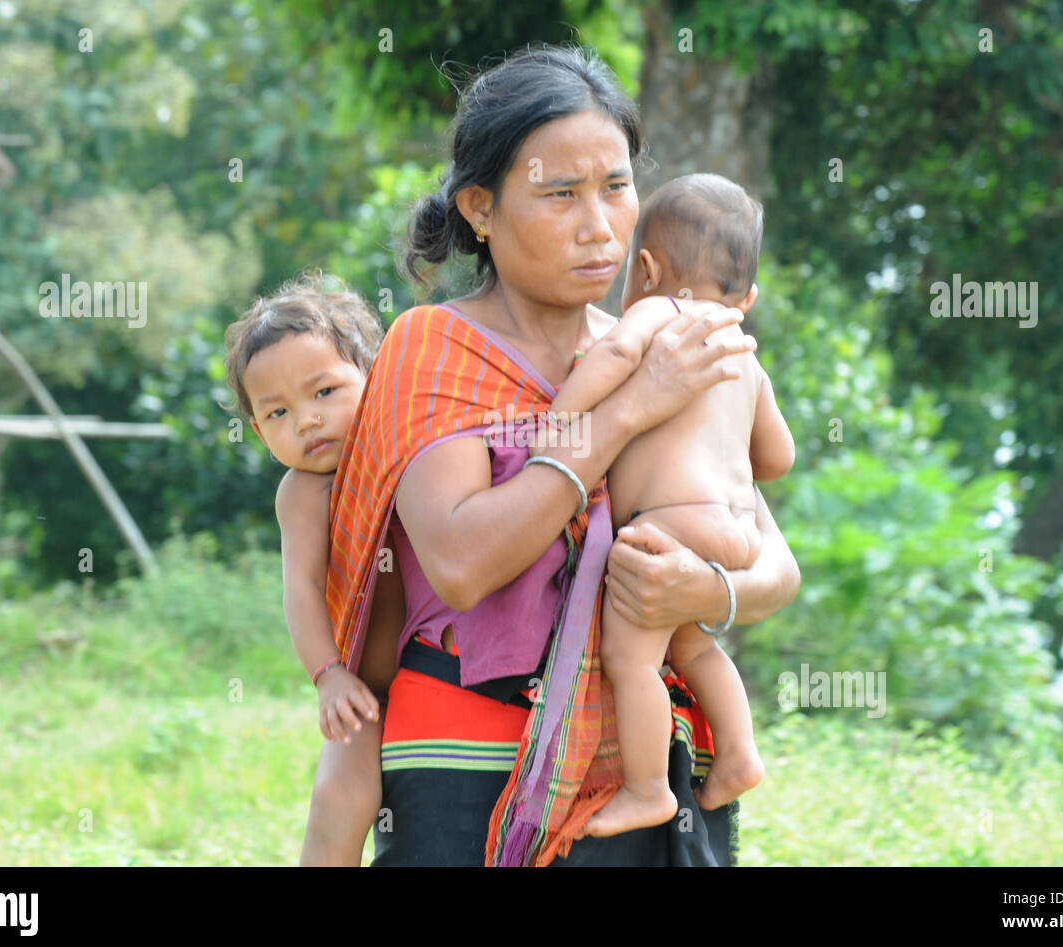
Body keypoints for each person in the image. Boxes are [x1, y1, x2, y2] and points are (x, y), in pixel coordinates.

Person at [326, 45, 801, 867]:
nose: (601, 225)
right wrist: (624, 415)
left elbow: (776, 567)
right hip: (465, 760)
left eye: (617, 187)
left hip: (647, 770)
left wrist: (703, 588)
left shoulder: (656, 344)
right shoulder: (436, 348)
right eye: (559, 195)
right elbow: (463, 560)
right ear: (480, 206)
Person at [542, 173, 796, 838]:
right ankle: (738, 752)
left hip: (669, 524)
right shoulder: (743, 354)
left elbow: (618, 349)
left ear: (647, 270)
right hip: (735, 531)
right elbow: (779, 459)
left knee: (632, 660)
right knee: (690, 641)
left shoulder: (656, 314)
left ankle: (648, 789)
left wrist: (562, 416)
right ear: (748, 296)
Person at [223, 271, 396, 866]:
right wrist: (328, 677)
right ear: (257, 429)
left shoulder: (409, 451)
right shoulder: (302, 495)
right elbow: (298, 588)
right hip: (365, 690)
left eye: (324, 393)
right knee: (335, 806)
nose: (306, 421)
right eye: (277, 413)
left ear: (373, 373)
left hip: (447, 671)